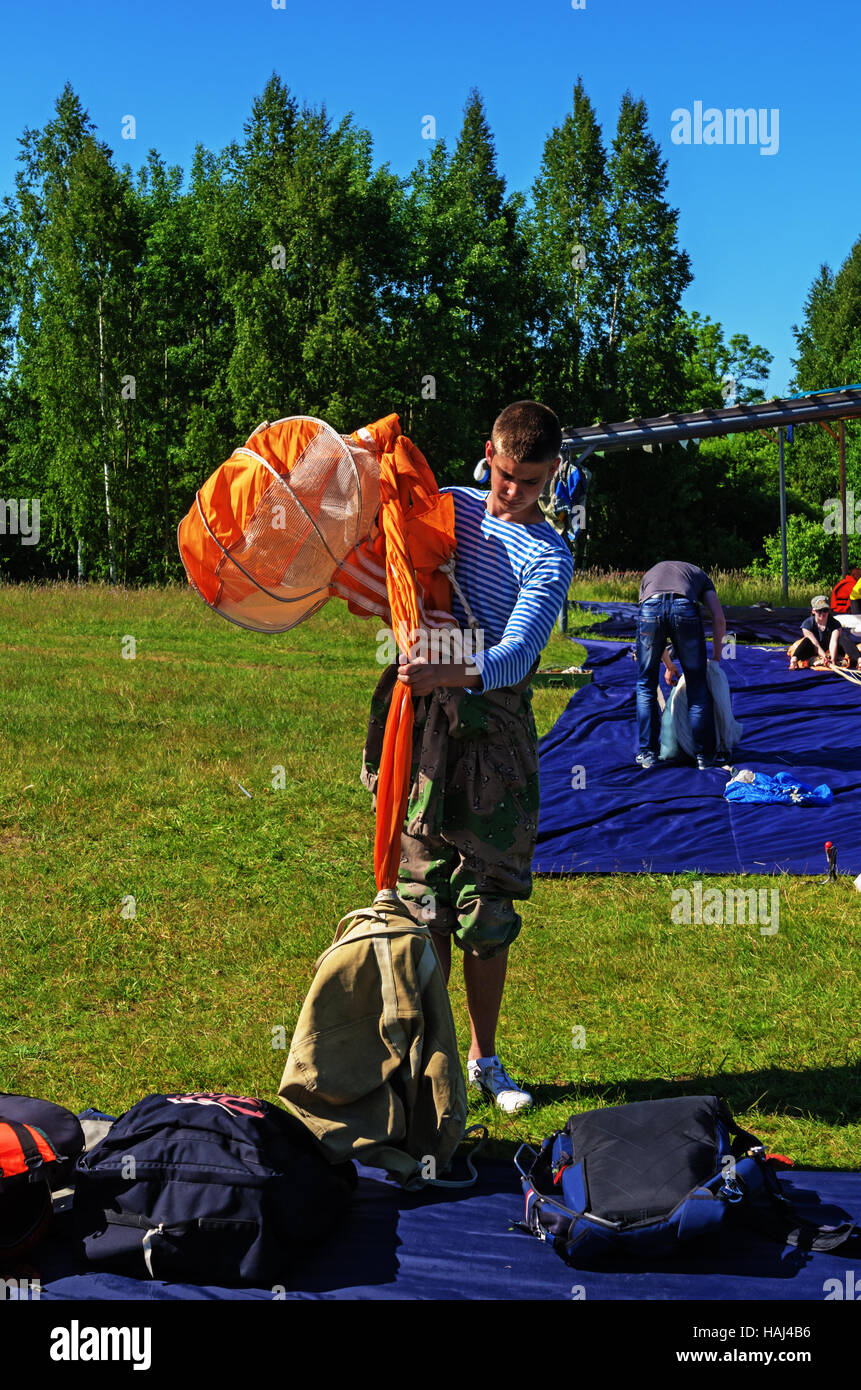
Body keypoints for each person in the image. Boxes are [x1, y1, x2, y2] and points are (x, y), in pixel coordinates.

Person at [362, 401, 573, 1112]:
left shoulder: (548, 554)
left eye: (528, 483)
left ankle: (486, 1061)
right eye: (503, 475)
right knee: (427, 904)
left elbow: (516, 655)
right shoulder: (449, 505)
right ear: (489, 452)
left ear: (551, 475)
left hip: (494, 737)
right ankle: (433, 1058)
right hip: (428, 731)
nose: (509, 493)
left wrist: (444, 668)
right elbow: (380, 536)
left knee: (486, 908)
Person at [635, 561, 726, 770]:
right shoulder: (701, 577)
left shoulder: (650, 574)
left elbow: (655, 624)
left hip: (650, 607)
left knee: (646, 685)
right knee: (697, 686)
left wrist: (667, 665)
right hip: (685, 608)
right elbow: (718, 618)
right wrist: (716, 657)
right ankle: (704, 756)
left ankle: (648, 754)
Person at [789, 595, 861, 668]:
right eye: (819, 611)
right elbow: (815, 645)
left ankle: (859, 659)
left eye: (825, 610)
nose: (822, 613)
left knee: (843, 638)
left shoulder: (835, 624)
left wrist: (833, 660)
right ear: (813, 611)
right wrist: (824, 656)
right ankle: (794, 660)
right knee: (806, 641)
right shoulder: (807, 624)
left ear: (828, 611)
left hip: (834, 649)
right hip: (814, 649)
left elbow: (833, 642)